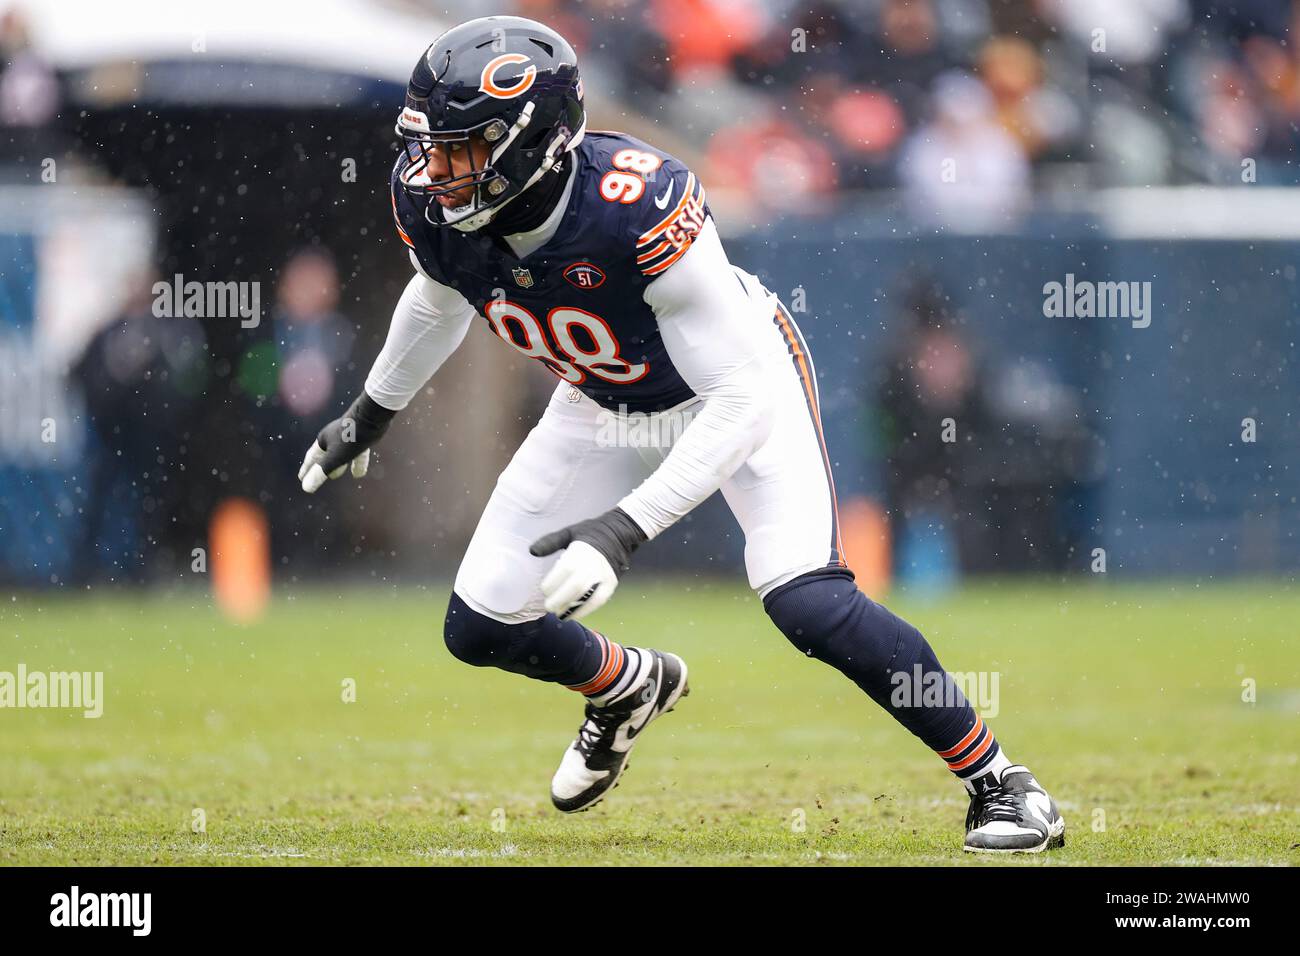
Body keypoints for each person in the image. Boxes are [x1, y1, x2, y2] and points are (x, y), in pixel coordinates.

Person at [298, 16, 1064, 853]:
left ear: (534, 143)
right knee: (481, 625)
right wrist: (368, 414)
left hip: (732, 385)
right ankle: (625, 686)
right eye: (433, 148)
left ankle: (1004, 784)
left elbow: (741, 401)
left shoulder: (633, 205)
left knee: (807, 599)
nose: (436, 171)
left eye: (463, 149)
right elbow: (437, 296)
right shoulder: (435, 203)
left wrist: (622, 530)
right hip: (599, 395)